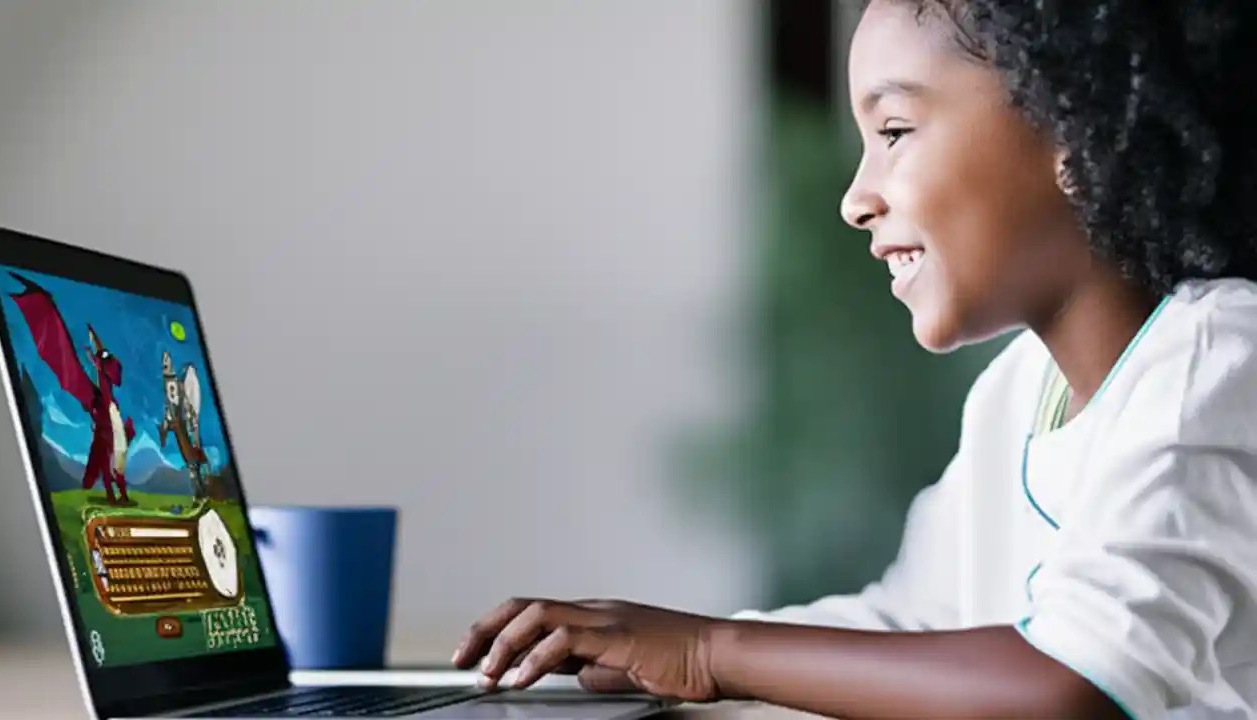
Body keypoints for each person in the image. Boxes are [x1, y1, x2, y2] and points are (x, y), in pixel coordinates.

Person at [451, 1, 1257, 717]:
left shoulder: (1215, 356)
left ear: (1077, 133)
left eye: (895, 132)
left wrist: (708, 654)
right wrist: (649, 651)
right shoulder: (1019, 390)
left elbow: (1068, 685)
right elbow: (915, 620)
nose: (856, 197)